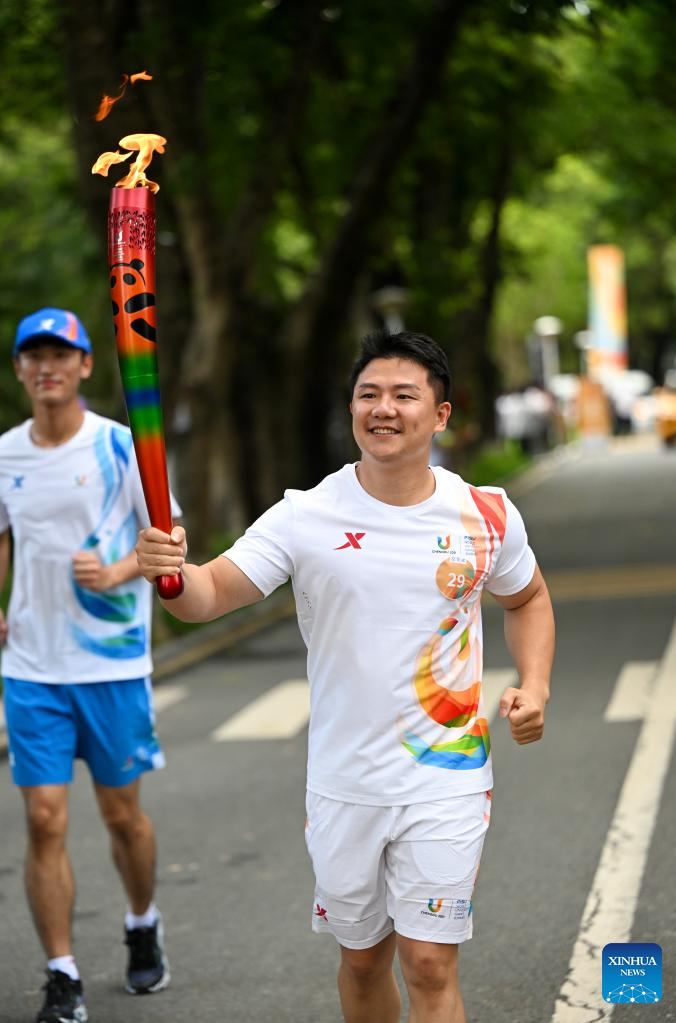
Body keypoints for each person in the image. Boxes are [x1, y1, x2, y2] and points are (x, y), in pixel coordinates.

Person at [137, 329, 555, 1023]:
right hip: (345, 782)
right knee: (363, 960)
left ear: (441, 414)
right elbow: (208, 595)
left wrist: (534, 684)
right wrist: (171, 572)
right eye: (369, 394)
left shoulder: (485, 514)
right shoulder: (307, 515)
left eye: (403, 395)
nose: (383, 408)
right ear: (352, 407)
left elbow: (529, 597)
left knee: (429, 961)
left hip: (444, 774)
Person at [0, 308, 180, 1023]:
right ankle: (62, 973)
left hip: (110, 665)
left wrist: (117, 572)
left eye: (60, 355)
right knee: (44, 819)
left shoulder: (122, 447)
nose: (46, 367)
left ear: (84, 367)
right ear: (19, 370)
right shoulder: (6, 454)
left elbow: (170, 537)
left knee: (122, 814)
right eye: (32, 356)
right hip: (32, 667)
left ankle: (142, 918)